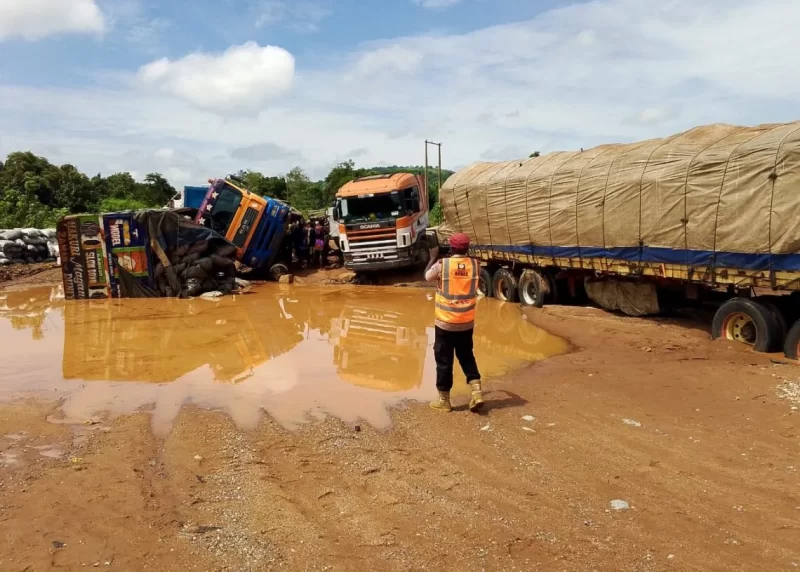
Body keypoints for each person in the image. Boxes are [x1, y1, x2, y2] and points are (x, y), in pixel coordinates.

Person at [424, 232, 483, 412]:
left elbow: (427, 277)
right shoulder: (476, 265)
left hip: (446, 322)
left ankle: (444, 400)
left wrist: (433, 257)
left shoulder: (443, 265)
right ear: (467, 248)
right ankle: (477, 392)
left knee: (444, 360)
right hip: (466, 321)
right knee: (466, 355)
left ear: (451, 247)